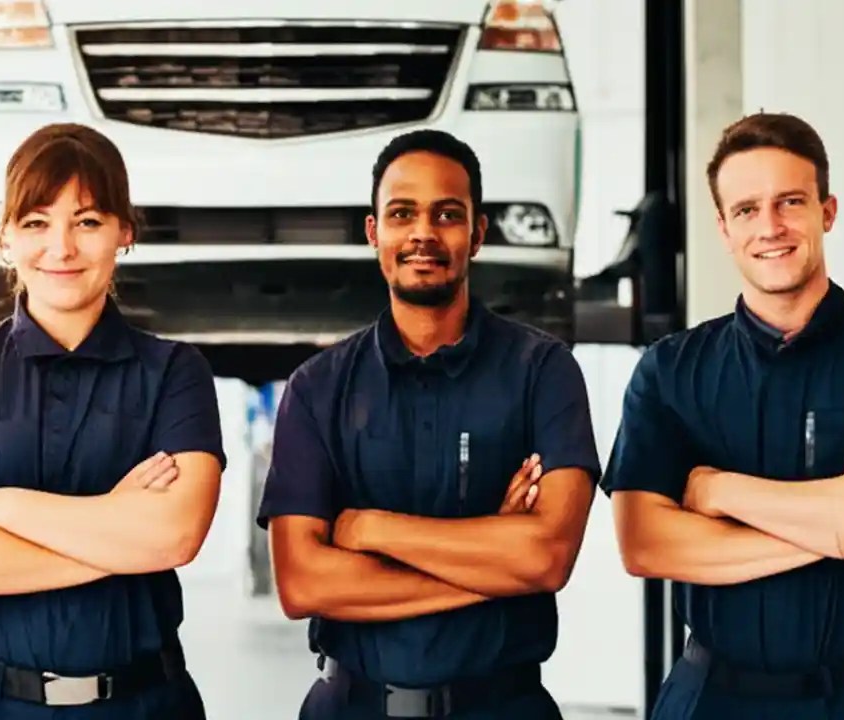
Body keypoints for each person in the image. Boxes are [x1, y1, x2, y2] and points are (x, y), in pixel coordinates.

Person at [256, 129, 602, 719]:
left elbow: (546, 557)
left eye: (447, 214)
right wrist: (493, 559)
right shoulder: (318, 387)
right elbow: (303, 583)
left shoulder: (543, 372)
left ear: (477, 233)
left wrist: (370, 529)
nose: (423, 233)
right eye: (402, 214)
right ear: (375, 233)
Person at [0, 123, 226, 719]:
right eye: (37, 222)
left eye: (88, 222)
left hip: (143, 704)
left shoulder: (175, 373)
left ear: (125, 231)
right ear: (5, 237)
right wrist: (117, 537)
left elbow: (173, 536)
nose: (61, 248)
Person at [602, 111, 844, 720]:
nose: (770, 227)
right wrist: (836, 521)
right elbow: (645, 544)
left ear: (827, 212)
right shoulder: (670, 371)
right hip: (711, 698)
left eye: (790, 202)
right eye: (747, 210)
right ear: (723, 228)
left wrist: (716, 490)